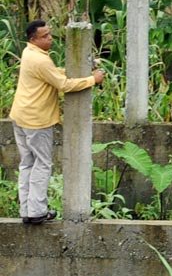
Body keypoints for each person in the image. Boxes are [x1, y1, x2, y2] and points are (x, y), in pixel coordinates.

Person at [10, 20, 105, 224]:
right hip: (37, 120)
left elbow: (52, 75)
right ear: (33, 39)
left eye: (50, 34)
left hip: (20, 116)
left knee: (27, 163)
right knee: (42, 164)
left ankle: (27, 210)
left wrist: (82, 71)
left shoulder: (30, 53)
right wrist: (92, 80)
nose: (50, 38)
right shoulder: (40, 60)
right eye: (44, 36)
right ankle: (36, 212)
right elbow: (63, 85)